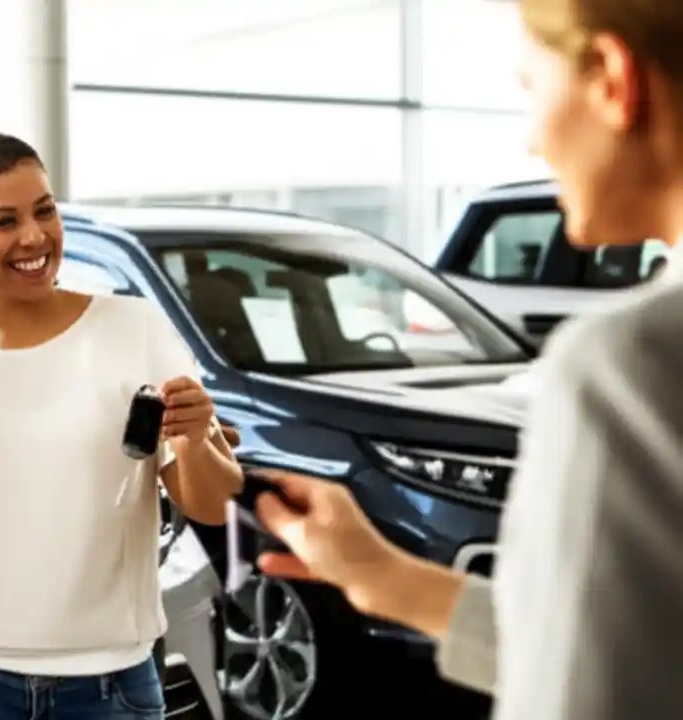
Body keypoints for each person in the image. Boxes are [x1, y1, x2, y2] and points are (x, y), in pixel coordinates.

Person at [249, 2, 683, 719]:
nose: (532, 141)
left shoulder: (631, 365)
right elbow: (630, 649)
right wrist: (387, 579)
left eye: (532, 88)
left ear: (613, 79)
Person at [0, 132, 243, 719]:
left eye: (44, 211)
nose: (34, 237)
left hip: (107, 685)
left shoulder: (134, 329)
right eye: (4, 221)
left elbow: (209, 504)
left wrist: (195, 439)